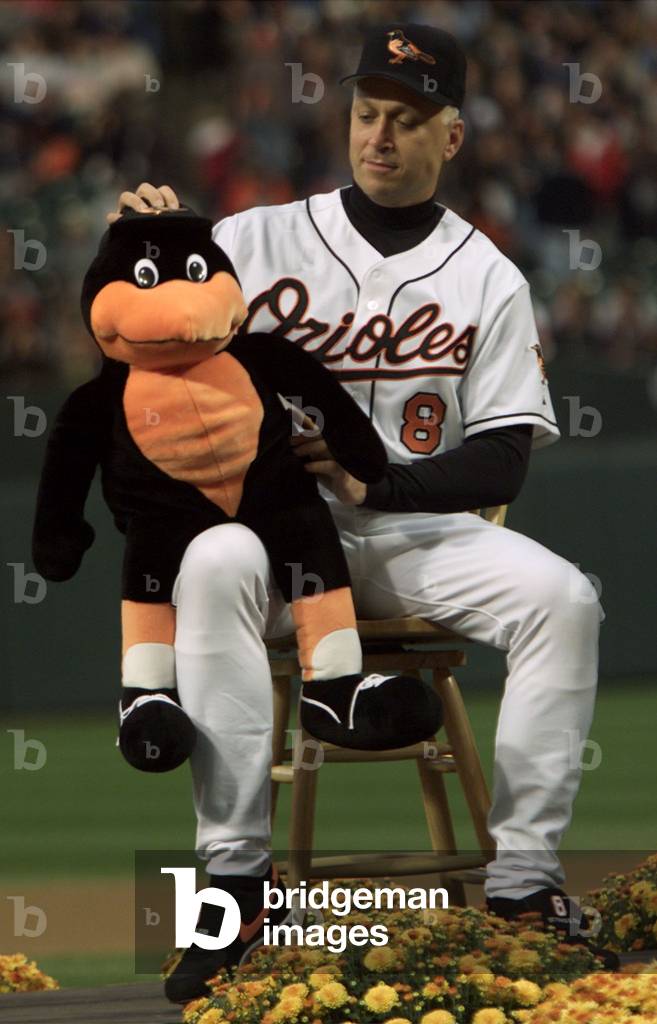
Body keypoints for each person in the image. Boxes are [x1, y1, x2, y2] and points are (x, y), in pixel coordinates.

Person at [109, 23, 617, 1001]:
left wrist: (373, 481)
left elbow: (504, 451)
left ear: (453, 138)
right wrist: (146, 238)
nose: (380, 135)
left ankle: (521, 881)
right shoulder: (252, 240)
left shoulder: (488, 277)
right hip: (271, 537)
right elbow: (149, 336)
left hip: (417, 532)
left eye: (406, 119)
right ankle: (235, 891)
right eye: (367, 113)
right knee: (211, 561)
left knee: (563, 599)